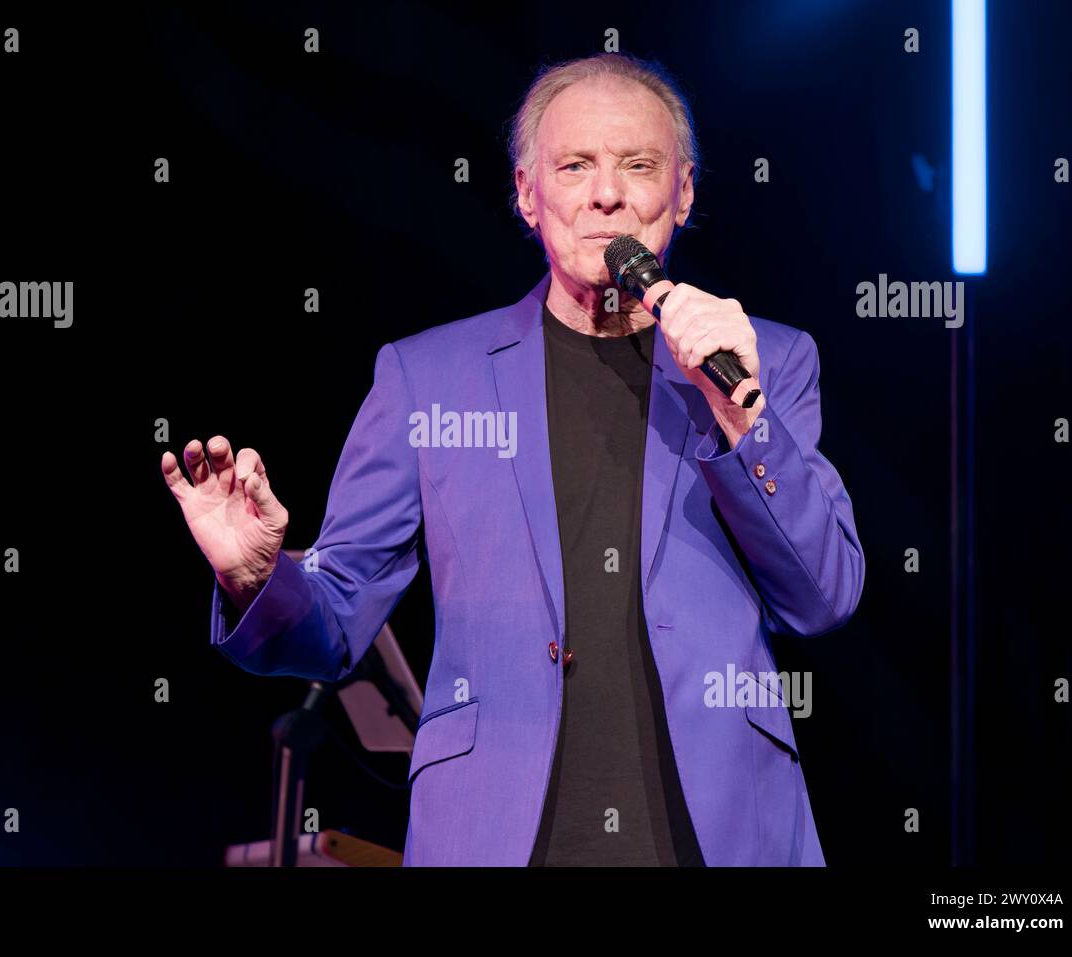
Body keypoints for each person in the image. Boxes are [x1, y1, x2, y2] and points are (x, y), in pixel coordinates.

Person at [161, 52, 864, 866]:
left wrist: (742, 425)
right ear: (529, 194)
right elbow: (335, 623)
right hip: (497, 836)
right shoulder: (428, 377)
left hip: (721, 835)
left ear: (685, 191)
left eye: (639, 165)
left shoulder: (767, 360)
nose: (608, 192)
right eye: (576, 166)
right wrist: (255, 576)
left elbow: (826, 595)